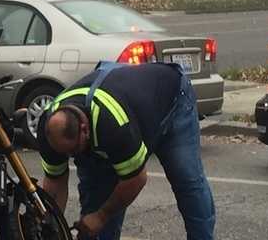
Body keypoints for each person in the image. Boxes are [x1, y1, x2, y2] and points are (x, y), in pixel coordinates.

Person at [37, 61, 215, 240]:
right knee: (95, 205)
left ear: (84, 129)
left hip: (171, 100)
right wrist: (51, 227)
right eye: (64, 154)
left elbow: (135, 179)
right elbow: (55, 183)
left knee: (186, 179)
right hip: (123, 104)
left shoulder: (114, 125)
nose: (72, 157)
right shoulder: (49, 128)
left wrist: (101, 216)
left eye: (74, 151)